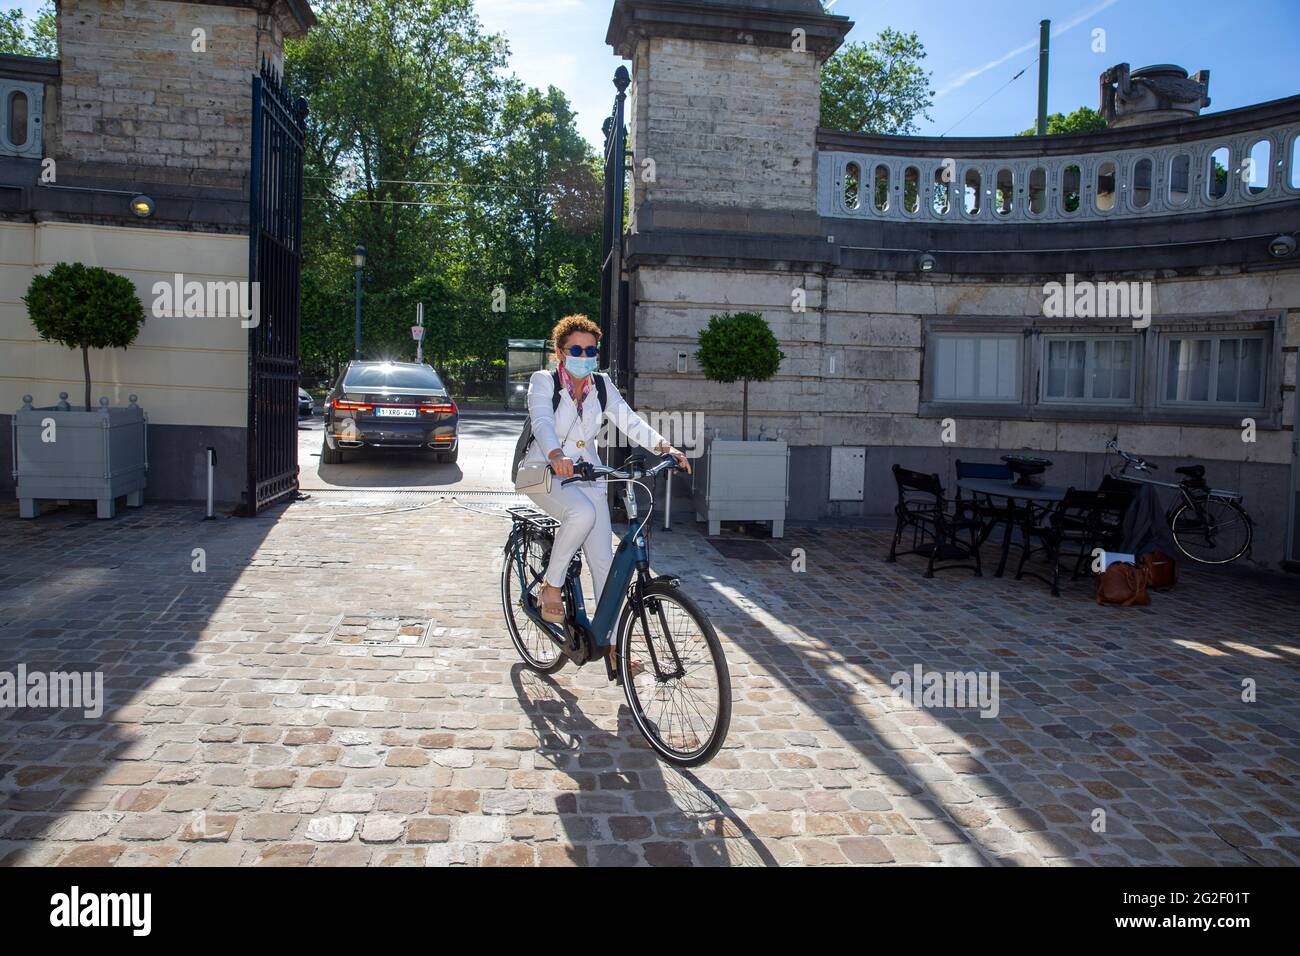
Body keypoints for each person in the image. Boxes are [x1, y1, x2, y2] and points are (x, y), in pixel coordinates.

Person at [519, 315, 690, 660]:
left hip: (588, 475)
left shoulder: (600, 385)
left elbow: (629, 420)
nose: (584, 355)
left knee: (603, 563)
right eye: (576, 349)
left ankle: (611, 646)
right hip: (545, 473)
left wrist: (665, 447)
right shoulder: (544, 381)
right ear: (560, 353)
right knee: (579, 514)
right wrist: (554, 454)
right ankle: (551, 587)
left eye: (591, 349)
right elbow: (541, 421)